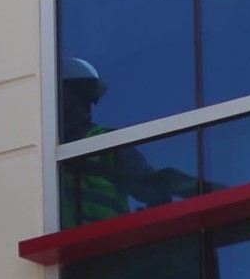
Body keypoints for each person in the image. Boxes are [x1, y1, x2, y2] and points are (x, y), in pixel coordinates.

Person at [60, 57, 176, 229]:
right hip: (71, 250)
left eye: (62, 92)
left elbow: (151, 188)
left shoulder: (108, 144)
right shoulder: (50, 152)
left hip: (108, 248)